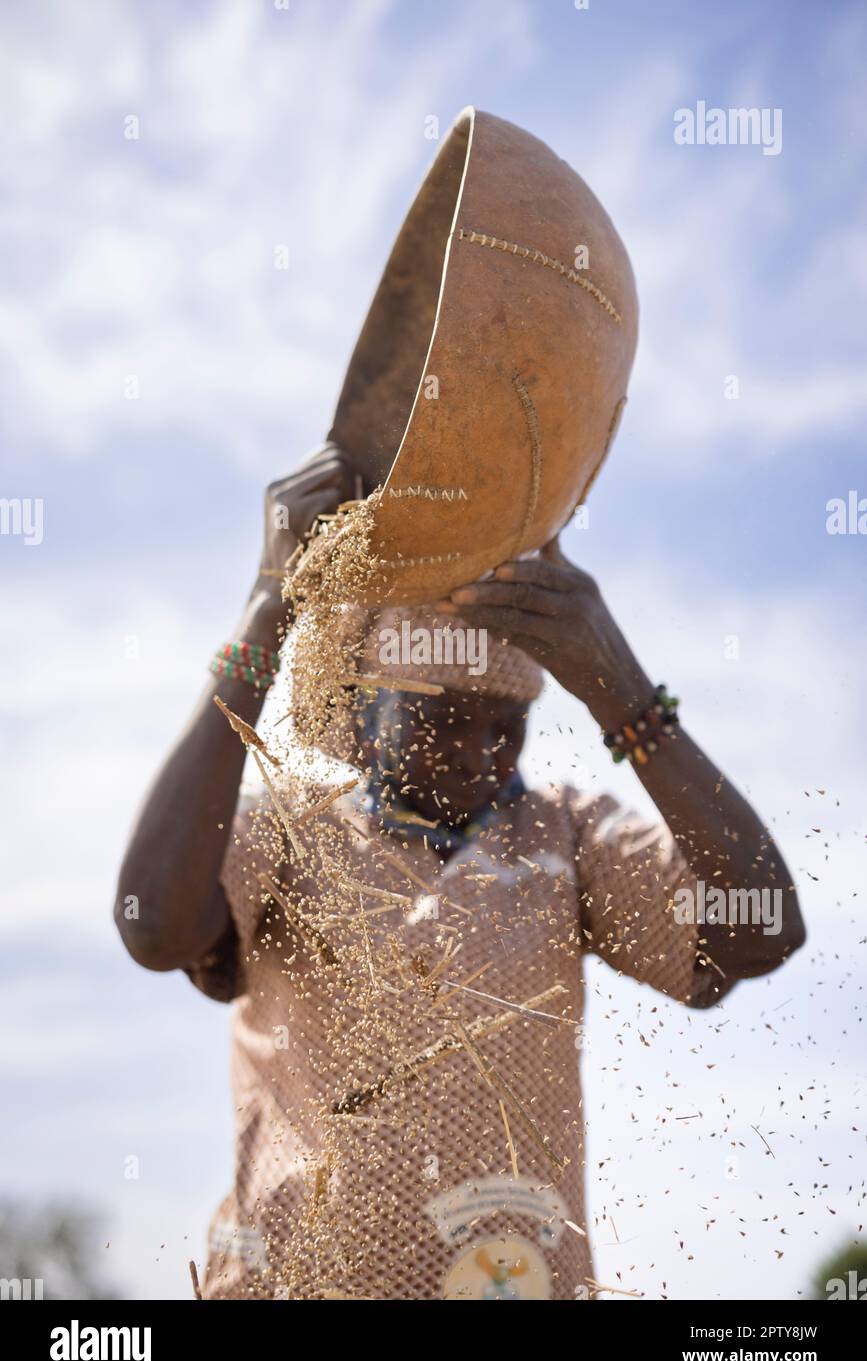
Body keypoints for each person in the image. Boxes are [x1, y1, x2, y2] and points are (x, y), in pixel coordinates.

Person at [114, 444, 806, 1300]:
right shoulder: (287, 837)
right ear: (360, 712)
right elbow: (153, 926)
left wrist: (623, 693)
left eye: (506, 723)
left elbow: (761, 932)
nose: (480, 751)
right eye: (440, 718)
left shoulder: (568, 837)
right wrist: (268, 604)